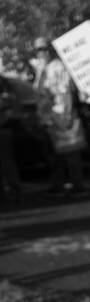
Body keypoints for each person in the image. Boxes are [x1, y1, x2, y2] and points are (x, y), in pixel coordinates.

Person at [31, 38, 86, 197]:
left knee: (70, 150)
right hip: (48, 117)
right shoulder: (41, 69)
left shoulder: (58, 66)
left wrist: (68, 114)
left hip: (61, 114)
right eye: (39, 50)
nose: (42, 52)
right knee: (54, 153)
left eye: (44, 49)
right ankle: (58, 183)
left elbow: (66, 91)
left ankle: (78, 185)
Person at [0, 76, 23, 207]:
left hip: (3, 129)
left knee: (7, 163)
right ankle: (9, 193)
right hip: (5, 128)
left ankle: (14, 192)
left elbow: (10, 107)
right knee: (7, 163)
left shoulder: (5, 90)